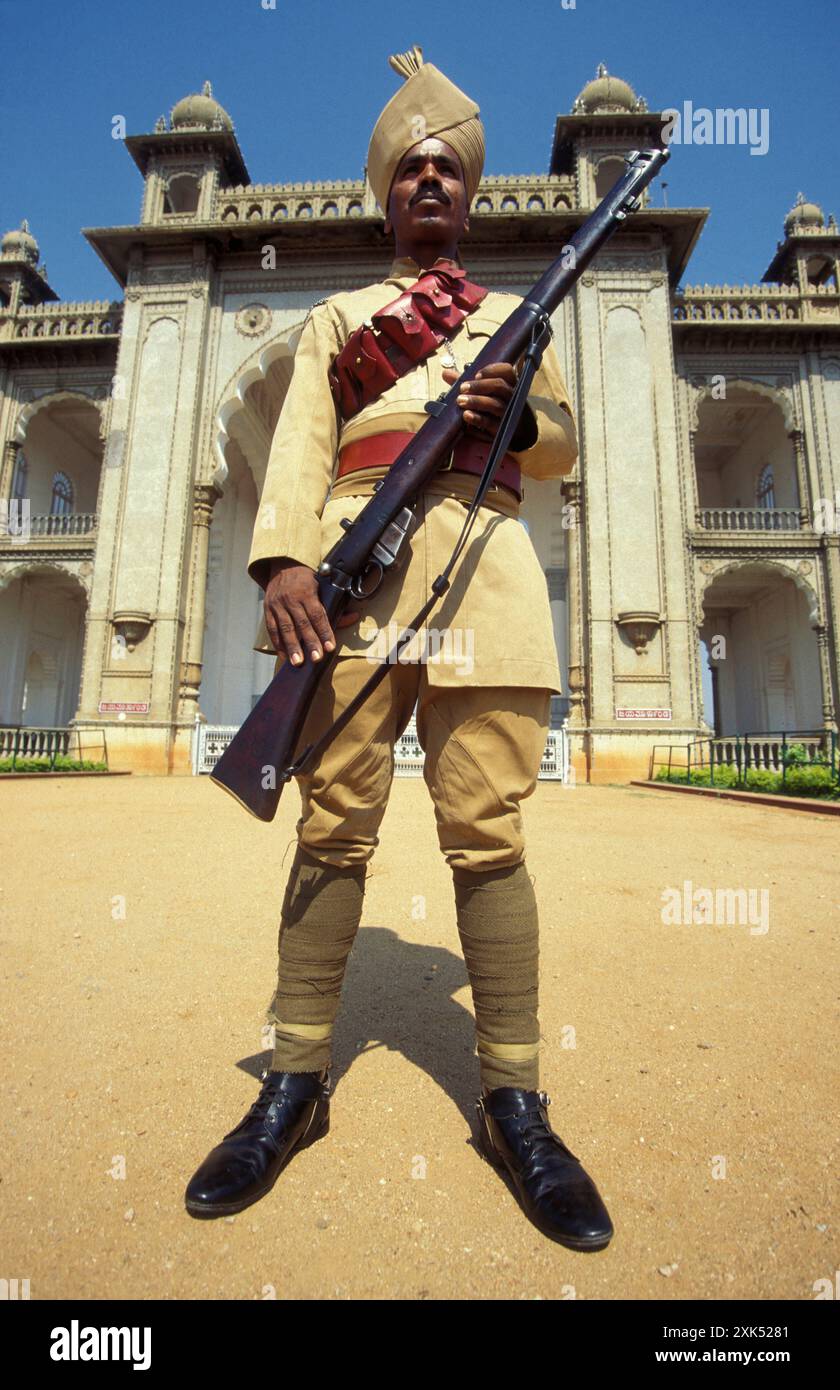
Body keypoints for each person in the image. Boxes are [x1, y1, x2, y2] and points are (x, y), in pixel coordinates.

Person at [185, 45, 613, 1251]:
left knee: (489, 830)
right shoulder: (337, 316)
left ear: (471, 197)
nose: (430, 180)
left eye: (449, 168)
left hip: (488, 565)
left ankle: (517, 1097)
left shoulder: (508, 321)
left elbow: (563, 444)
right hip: (350, 586)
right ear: (389, 195)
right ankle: (297, 1077)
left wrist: (512, 410)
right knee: (333, 825)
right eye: (411, 168)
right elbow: (296, 452)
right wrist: (280, 570)